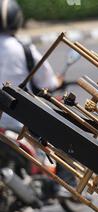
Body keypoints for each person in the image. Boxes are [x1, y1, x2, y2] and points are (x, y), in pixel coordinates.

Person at [0, 0, 60, 131]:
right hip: (20, 125)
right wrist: (57, 81)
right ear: (17, 19)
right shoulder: (24, 49)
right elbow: (48, 84)